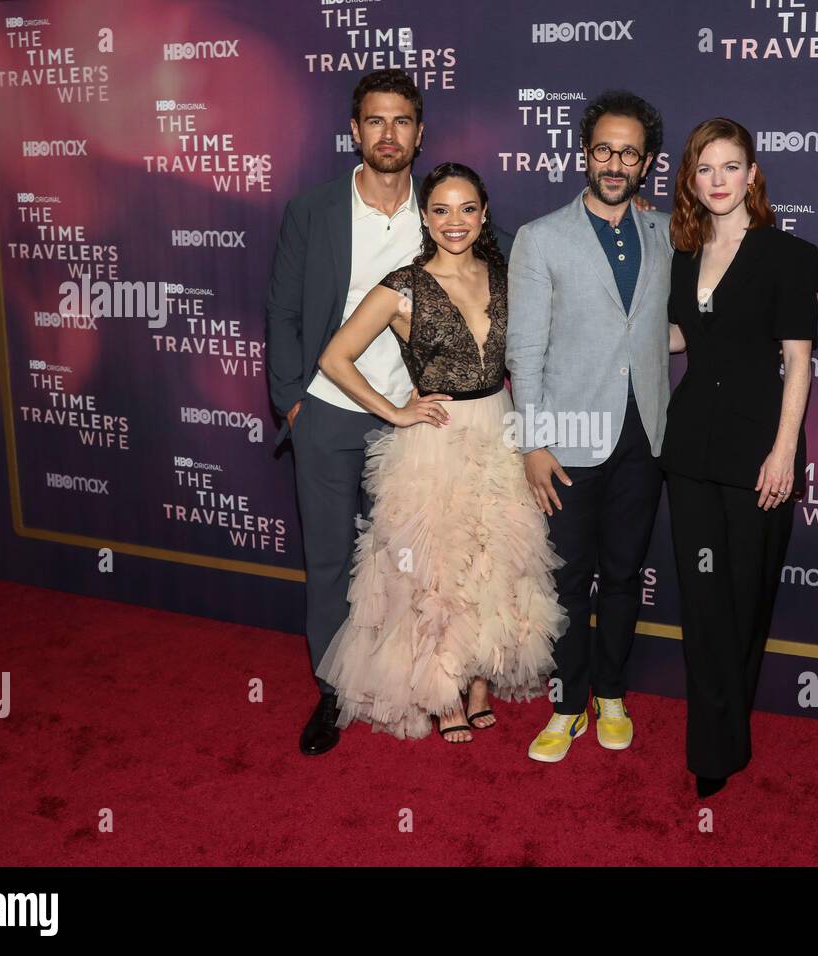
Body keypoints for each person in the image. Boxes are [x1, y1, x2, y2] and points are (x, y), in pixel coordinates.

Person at [264, 69, 514, 755]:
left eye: (402, 121)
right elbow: (283, 312)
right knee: (331, 561)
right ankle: (332, 691)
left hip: (420, 418)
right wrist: (293, 403)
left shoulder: (439, 211)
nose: (388, 133)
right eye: (375, 121)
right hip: (327, 412)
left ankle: (422, 682)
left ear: (419, 132)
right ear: (355, 131)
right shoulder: (312, 211)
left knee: (419, 564)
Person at [313, 162, 566, 742]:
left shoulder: (505, 275)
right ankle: (439, 687)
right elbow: (334, 358)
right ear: (425, 217)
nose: (456, 222)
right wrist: (396, 410)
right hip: (436, 438)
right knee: (434, 569)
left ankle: (478, 681)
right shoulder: (402, 286)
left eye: (468, 209)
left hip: (499, 427)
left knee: (493, 559)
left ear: (483, 214)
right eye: (442, 210)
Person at [506, 90, 673, 763]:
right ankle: (568, 703)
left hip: (646, 435)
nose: (614, 161)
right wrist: (534, 442)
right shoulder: (541, 237)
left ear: (647, 162)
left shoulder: (665, 232)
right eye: (603, 148)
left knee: (626, 573)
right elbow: (526, 351)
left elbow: (663, 326)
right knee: (569, 580)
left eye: (628, 152)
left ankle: (611, 693)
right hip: (568, 435)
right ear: (585, 152)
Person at [660, 117, 818, 797]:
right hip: (691, 446)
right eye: (705, 169)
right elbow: (674, 338)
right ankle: (713, 749)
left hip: (759, 450)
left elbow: (798, 360)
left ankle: (730, 728)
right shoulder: (681, 254)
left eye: (731, 167)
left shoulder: (788, 255)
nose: (719, 180)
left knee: (744, 599)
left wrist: (784, 451)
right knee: (701, 603)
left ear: (751, 175)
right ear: (690, 182)